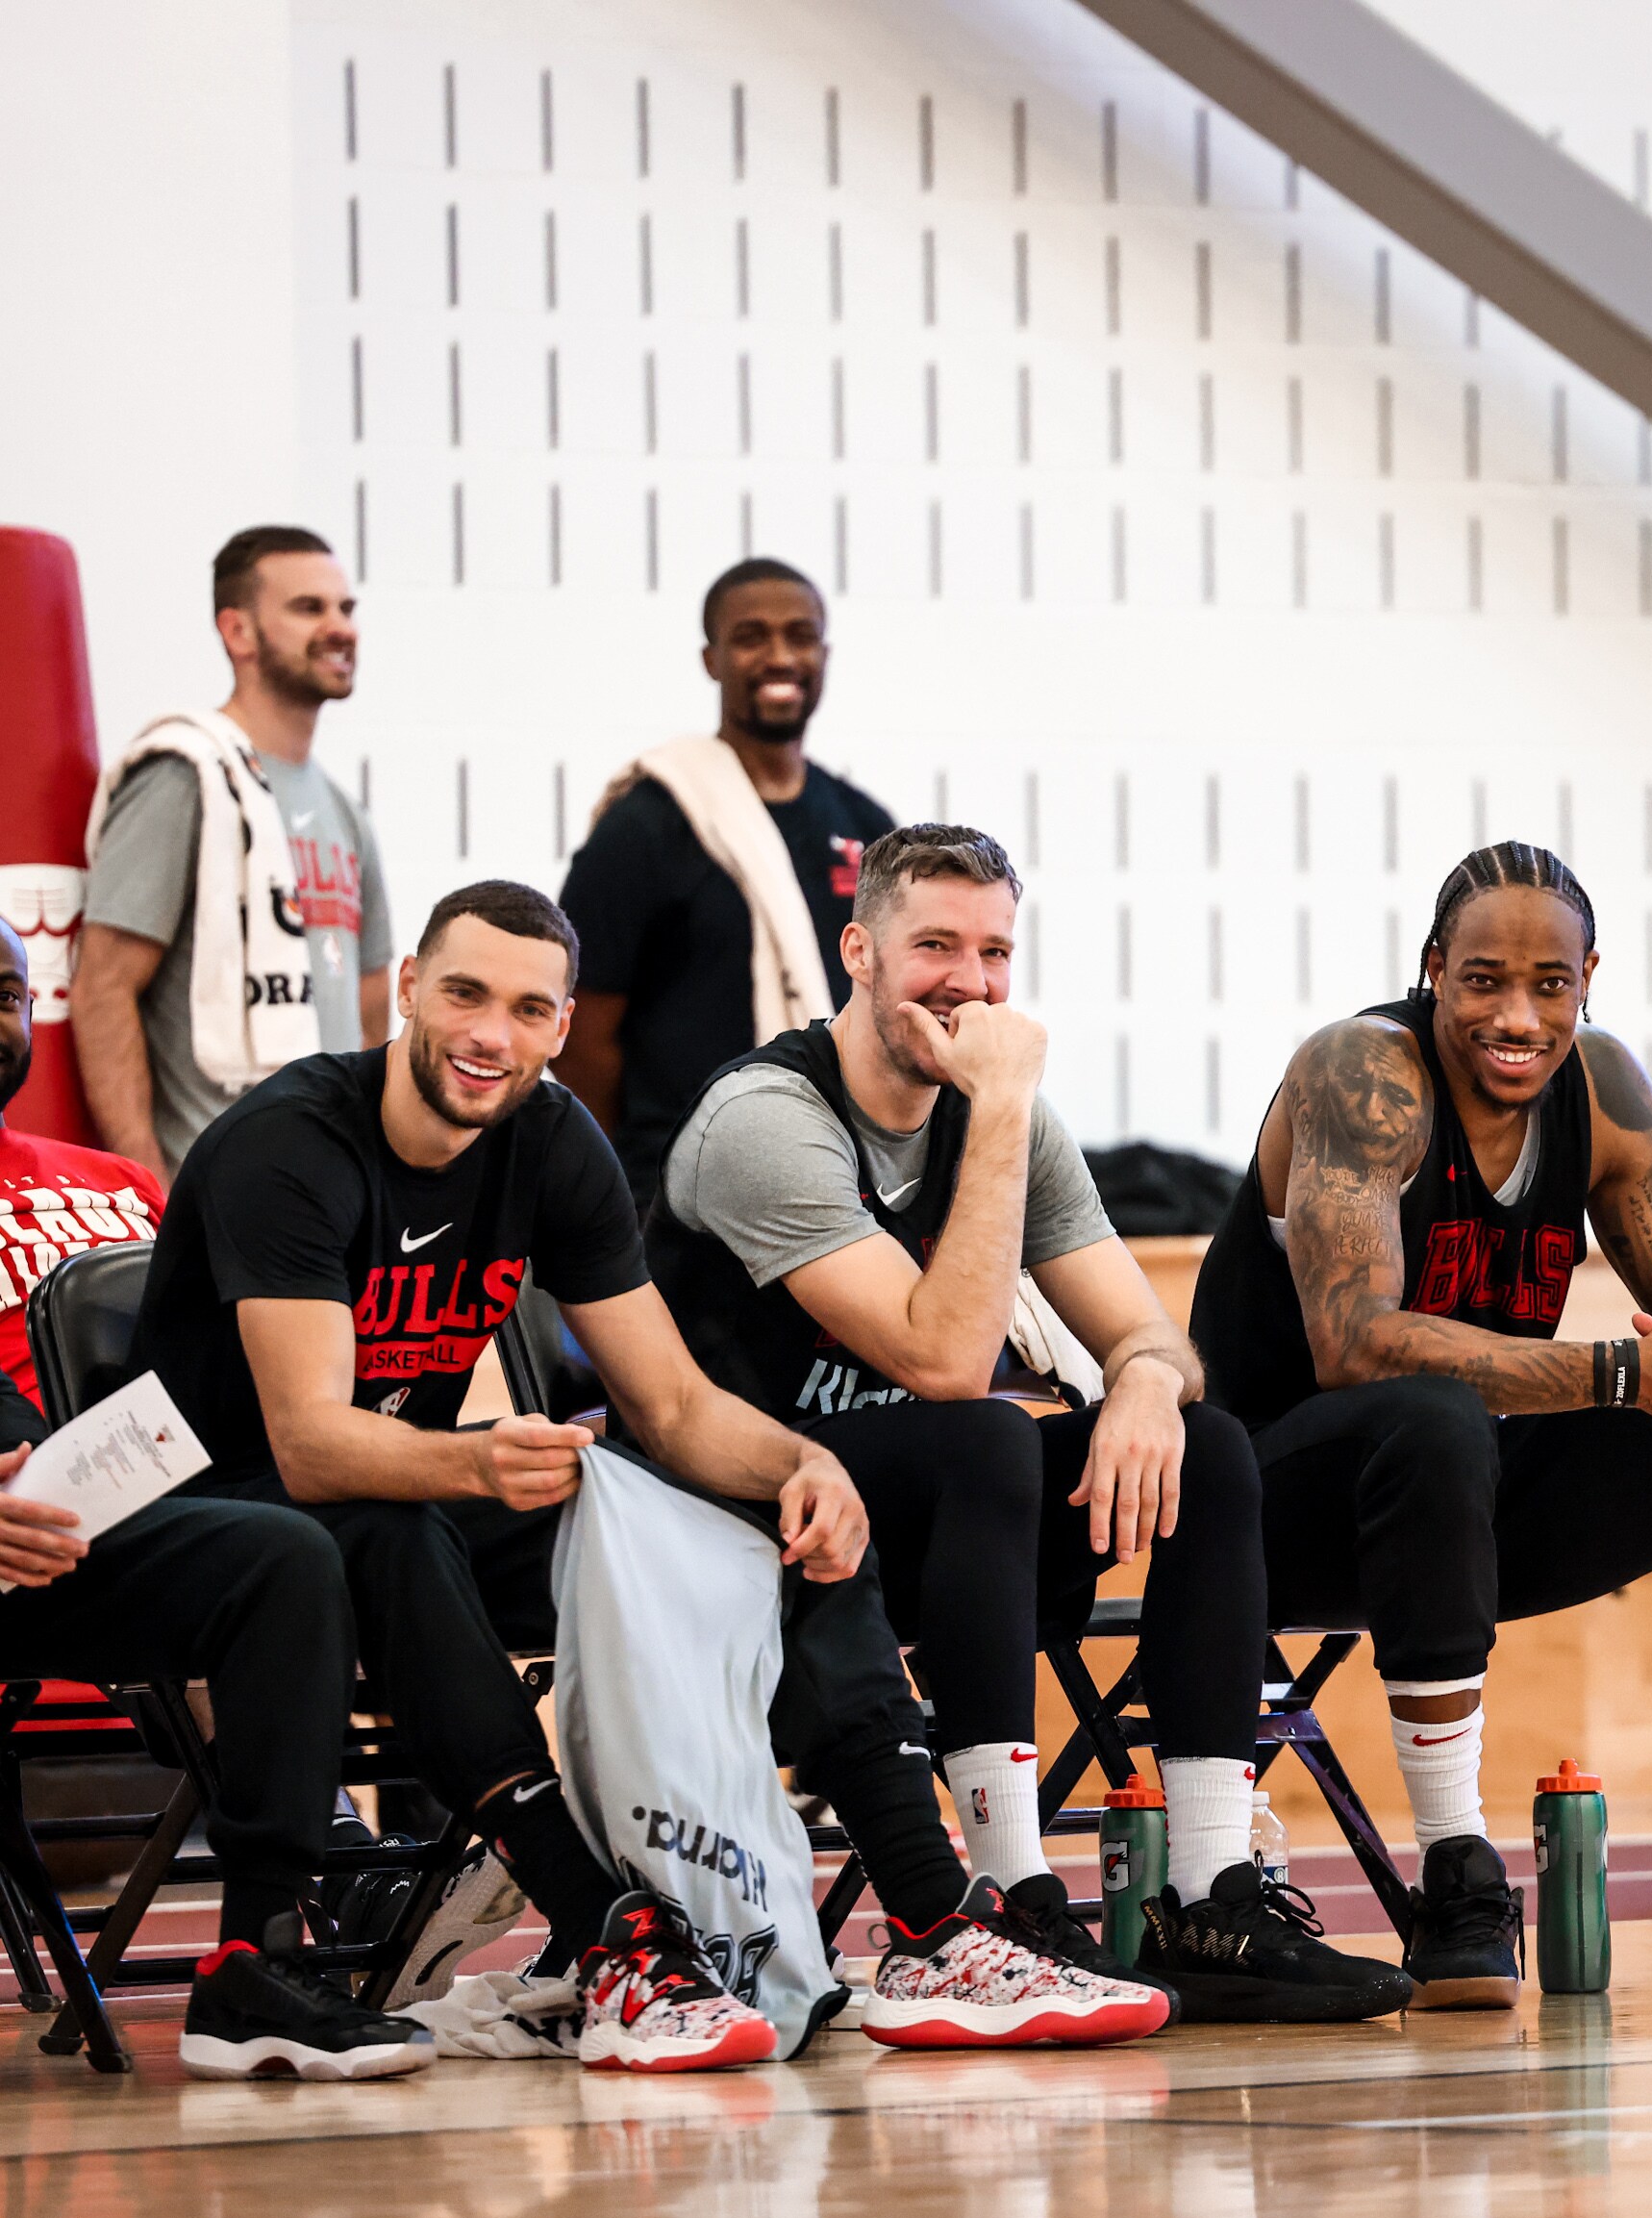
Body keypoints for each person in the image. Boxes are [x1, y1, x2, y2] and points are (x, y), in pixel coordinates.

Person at [133, 876, 1160, 2064]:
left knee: (771, 1511)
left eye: (527, 1009)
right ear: (405, 989)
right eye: (462, 994)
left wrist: (802, 1462)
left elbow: (668, 1403)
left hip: (421, 1489)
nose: (488, 1035)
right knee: (395, 1529)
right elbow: (308, 1444)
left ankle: (933, 1919)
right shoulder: (291, 1141)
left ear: (561, 1026)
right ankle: (606, 1933)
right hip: (235, 1514)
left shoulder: (552, 1138)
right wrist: (473, 1462)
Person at [648, 822, 1413, 2026]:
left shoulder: (1004, 1118)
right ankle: (1005, 1896)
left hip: (957, 1531)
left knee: (1203, 1450)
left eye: (994, 952)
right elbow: (945, 1362)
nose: (970, 982)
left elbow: (1151, 1337)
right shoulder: (766, 1118)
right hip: (760, 1533)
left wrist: (1146, 1390)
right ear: (857, 950)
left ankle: (1213, 1892)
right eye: (933, 946)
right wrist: (999, 1103)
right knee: (990, 1432)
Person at [1189, 841, 1652, 2006]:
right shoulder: (1357, 1075)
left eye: (1547, 984)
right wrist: (1628, 1374)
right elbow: (1354, 1345)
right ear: (1431, 971)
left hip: (1471, 1500)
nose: (1515, 1014)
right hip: (1282, 1504)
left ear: (1586, 981)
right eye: (1481, 980)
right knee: (1425, 1410)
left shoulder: (1604, 1092)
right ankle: (1455, 1874)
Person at [0, 915, 431, 2080]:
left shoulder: (122, 1187)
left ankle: (275, 1947)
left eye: (6, 993)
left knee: (308, 1536)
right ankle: (338, 1837)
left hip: (99, 1502)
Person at [556, 559, 892, 1208]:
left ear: (824, 652)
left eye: (800, 635)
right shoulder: (648, 825)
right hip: (680, 1188)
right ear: (711, 659)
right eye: (751, 637)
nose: (779, 656)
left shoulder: (862, 825)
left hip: (837, 1173)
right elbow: (583, 1036)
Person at [71, 526, 391, 1186]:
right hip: (214, 1197)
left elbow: (368, 1007)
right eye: (309, 608)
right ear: (238, 632)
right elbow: (103, 989)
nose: (339, 627)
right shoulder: (184, 776)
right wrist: (149, 1192)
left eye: (345, 608)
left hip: (327, 1195)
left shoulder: (345, 811)